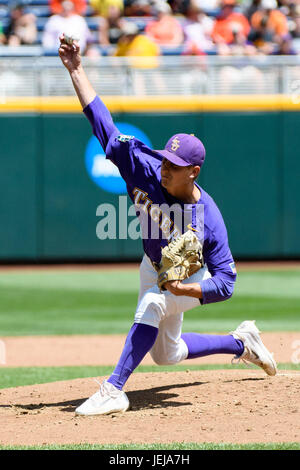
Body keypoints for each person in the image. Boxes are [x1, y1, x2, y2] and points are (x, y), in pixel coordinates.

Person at [58, 34, 277, 416]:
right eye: (163, 160)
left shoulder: (208, 217)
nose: (164, 168)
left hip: (187, 276)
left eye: (173, 167)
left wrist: (186, 289)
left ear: (193, 172)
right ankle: (242, 342)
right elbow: (103, 124)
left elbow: (226, 283)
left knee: (156, 303)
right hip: (153, 265)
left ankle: (114, 389)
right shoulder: (144, 167)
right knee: (167, 354)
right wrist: (77, 69)